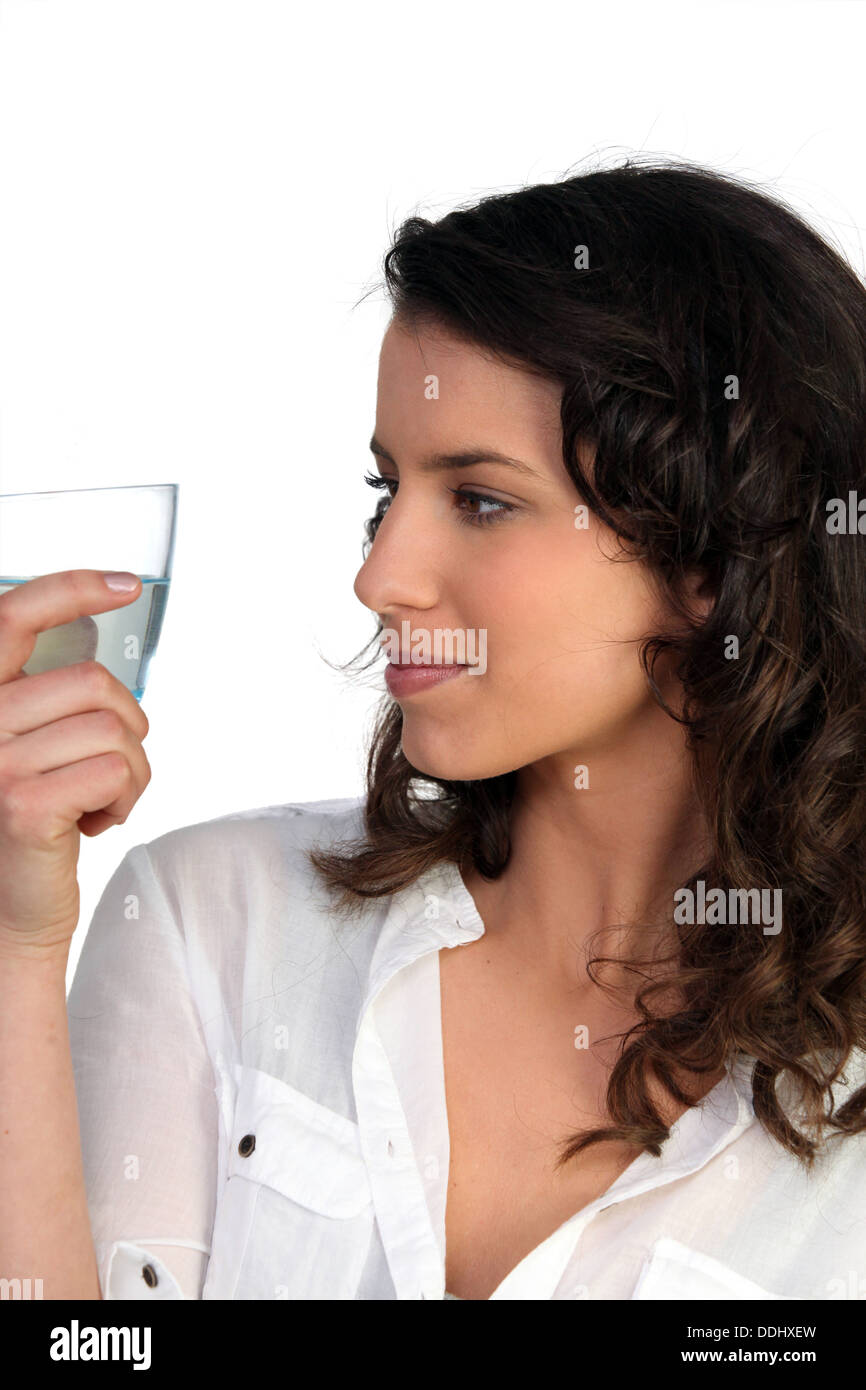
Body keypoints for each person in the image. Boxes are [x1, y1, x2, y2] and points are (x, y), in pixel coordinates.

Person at [3, 157, 866, 1302]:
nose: (378, 577)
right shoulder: (210, 924)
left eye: (478, 500)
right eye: (385, 493)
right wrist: (13, 945)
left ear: (710, 551)